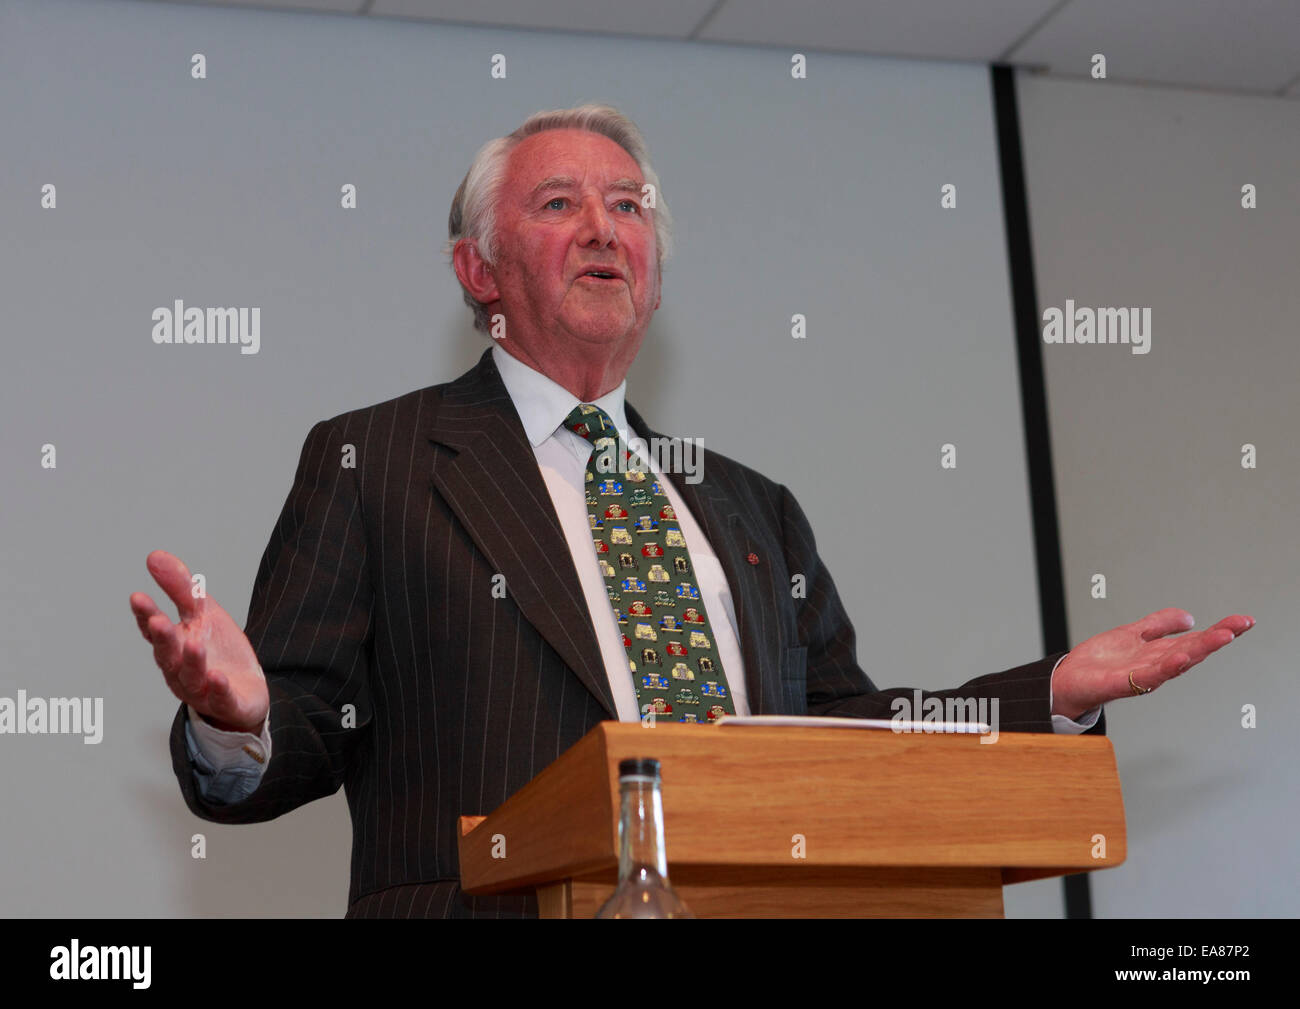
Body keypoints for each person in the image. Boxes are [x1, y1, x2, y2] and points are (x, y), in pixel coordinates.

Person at [129, 104, 1254, 918]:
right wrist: (241, 713)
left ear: (657, 275)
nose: (606, 227)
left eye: (630, 207)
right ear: (478, 269)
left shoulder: (749, 506)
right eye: (560, 203)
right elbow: (301, 741)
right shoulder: (374, 459)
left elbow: (841, 738)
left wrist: (1048, 693)